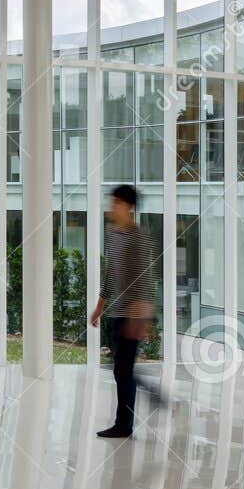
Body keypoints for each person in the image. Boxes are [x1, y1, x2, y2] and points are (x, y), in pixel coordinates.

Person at [89, 184, 161, 439]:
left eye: (116, 203)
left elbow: (145, 278)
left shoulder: (138, 238)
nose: (112, 207)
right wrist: (99, 307)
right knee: (121, 369)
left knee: (123, 370)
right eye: (111, 202)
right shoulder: (113, 234)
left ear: (129, 207)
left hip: (132, 314)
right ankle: (154, 396)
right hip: (116, 313)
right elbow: (111, 273)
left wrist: (140, 317)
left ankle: (124, 424)